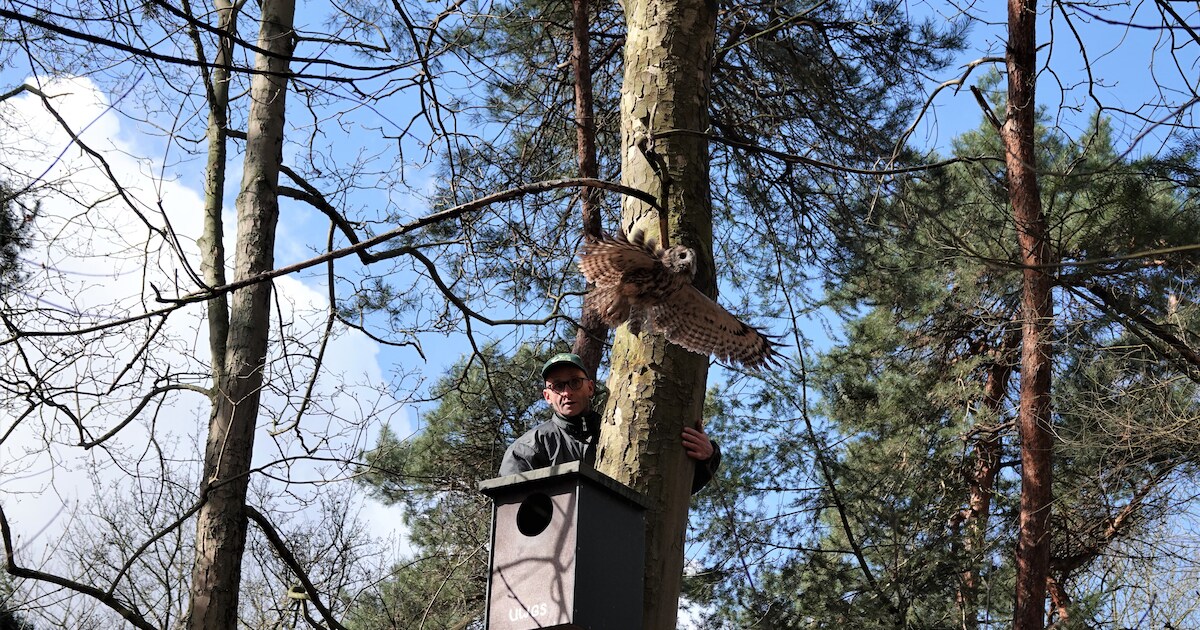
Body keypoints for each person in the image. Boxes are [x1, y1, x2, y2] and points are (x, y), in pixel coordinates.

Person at [498, 352, 721, 493]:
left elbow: (666, 491)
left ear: (590, 388)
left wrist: (708, 459)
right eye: (557, 386)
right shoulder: (527, 449)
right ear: (547, 396)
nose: (566, 392)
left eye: (575, 382)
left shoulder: (623, 432)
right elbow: (513, 511)